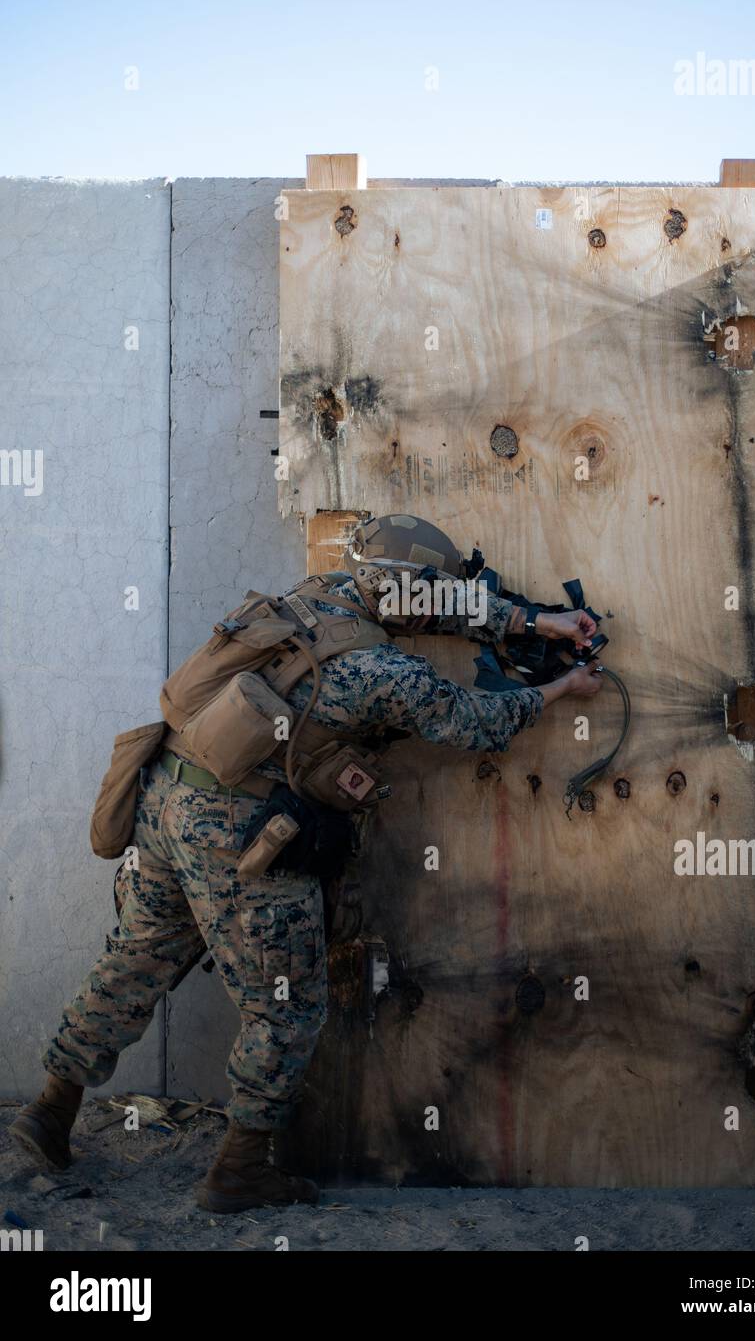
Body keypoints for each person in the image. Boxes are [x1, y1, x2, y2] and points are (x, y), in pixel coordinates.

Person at [10, 515, 604, 1212]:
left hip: (163, 798)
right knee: (285, 1009)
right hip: (237, 833)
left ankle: (48, 1113)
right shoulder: (382, 672)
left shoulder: (311, 595)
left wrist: (539, 624)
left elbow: (427, 605)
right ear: (409, 588)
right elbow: (475, 722)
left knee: (135, 959)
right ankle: (239, 1173)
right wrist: (560, 691)